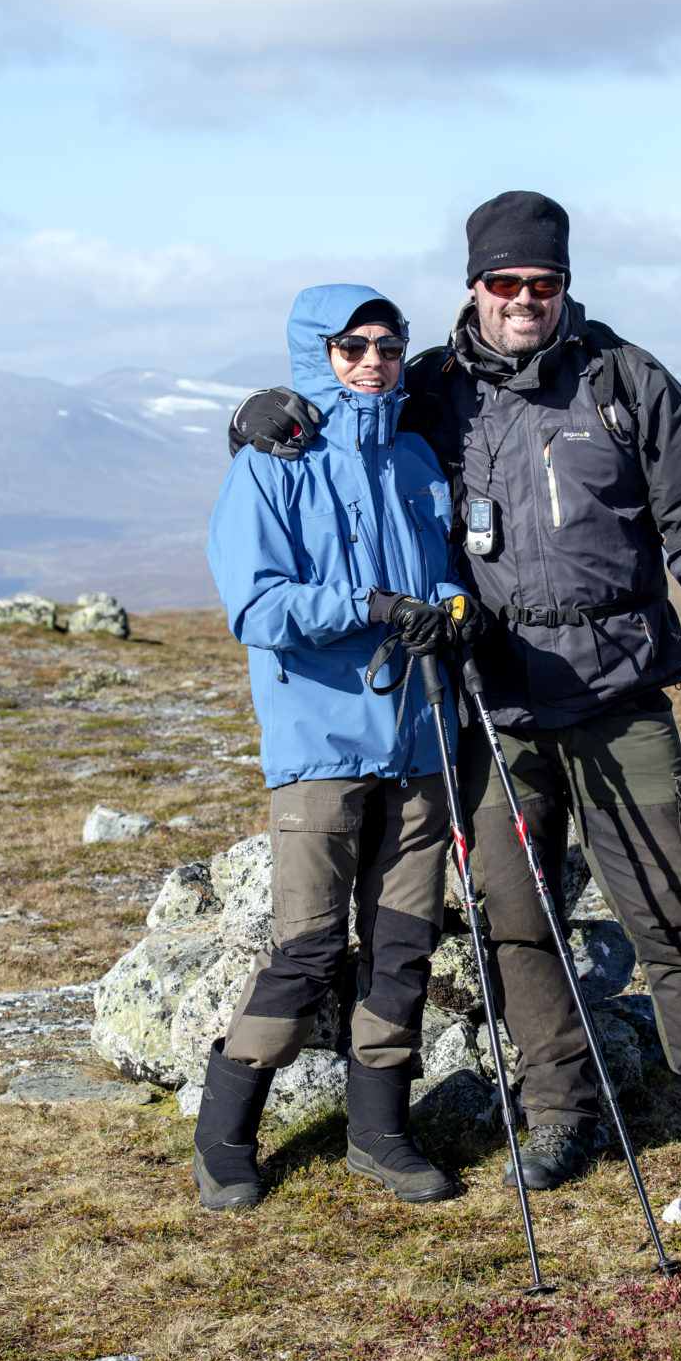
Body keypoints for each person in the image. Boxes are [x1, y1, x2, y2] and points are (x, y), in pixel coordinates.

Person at [230, 194, 681, 1193]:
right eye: (505, 282)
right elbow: (338, 438)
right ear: (474, 288)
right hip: (488, 708)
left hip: (615, 698)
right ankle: (558, 1113)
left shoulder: (624, 380)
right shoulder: (431, 389)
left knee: (670, 904)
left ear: (565, 286)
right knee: (514, 917)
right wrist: (254, 414)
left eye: (544, 283)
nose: (525, 299)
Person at [194, 283, 471, 1212]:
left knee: (402, 947)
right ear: (317, 354)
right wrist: (368, 608)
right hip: (319, 745)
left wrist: (446, 611)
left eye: (388, 347)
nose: (373, 362)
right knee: (308, 950)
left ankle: (381, 1134)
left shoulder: (417, 456)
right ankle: (225, 1136)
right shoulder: (270, 467)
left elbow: (444, 571)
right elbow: (257, 607)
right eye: (351, 347)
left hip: (421, 739)